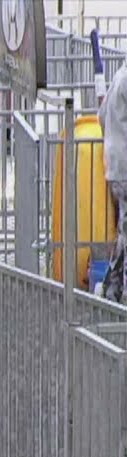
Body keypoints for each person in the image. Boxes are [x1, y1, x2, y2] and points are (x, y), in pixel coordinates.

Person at [99, 64, 126, 303]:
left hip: (116, 167)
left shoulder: (119, 75)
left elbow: (100, 115)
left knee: (124, 229)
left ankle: (111, 287)